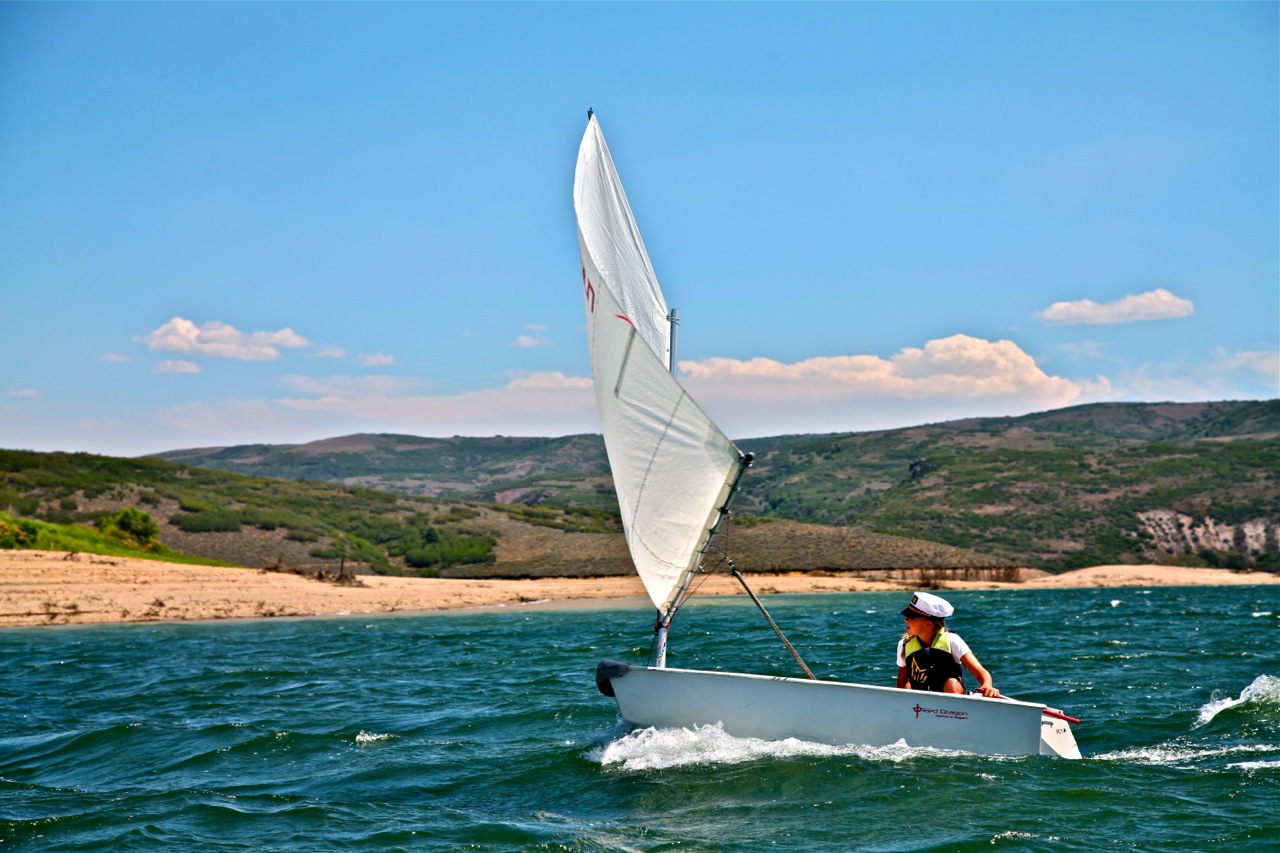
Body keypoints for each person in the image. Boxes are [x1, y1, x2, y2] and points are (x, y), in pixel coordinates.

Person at [895, 592, 1000, 698]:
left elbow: (980, 671)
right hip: (921, 703)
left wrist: (987, 685)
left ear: (928, 623)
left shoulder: (953, 640)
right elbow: (903, 680)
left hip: (951, 701)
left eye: (912, 617)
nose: (906, 620)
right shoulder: (904, 644)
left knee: (951, 683)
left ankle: (953, 711)